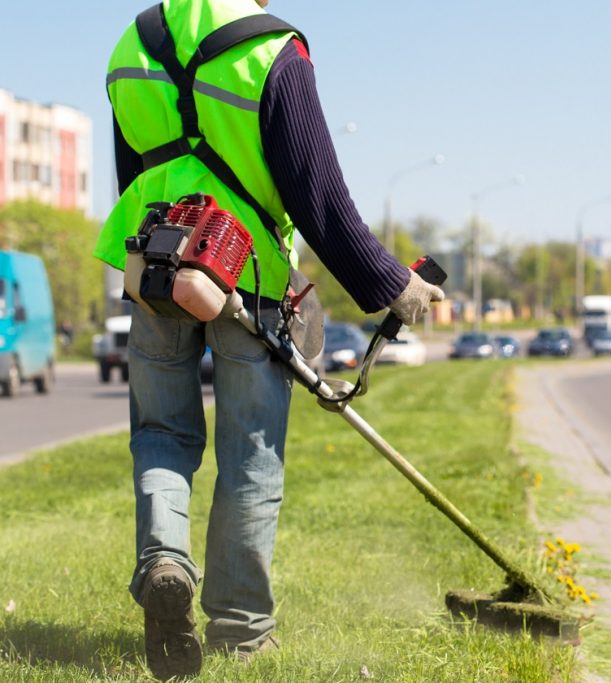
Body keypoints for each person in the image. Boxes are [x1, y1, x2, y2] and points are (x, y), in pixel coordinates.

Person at [93, 0, 443, 679]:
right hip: (244, 269)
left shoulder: (132, 43)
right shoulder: (272, 50)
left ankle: (164, 557)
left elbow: (130, 176)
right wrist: (392, 283)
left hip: (157, 267)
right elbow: (317, 193)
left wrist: (146, 266)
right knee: (250, 451)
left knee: (161, 431)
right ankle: (242, 627)